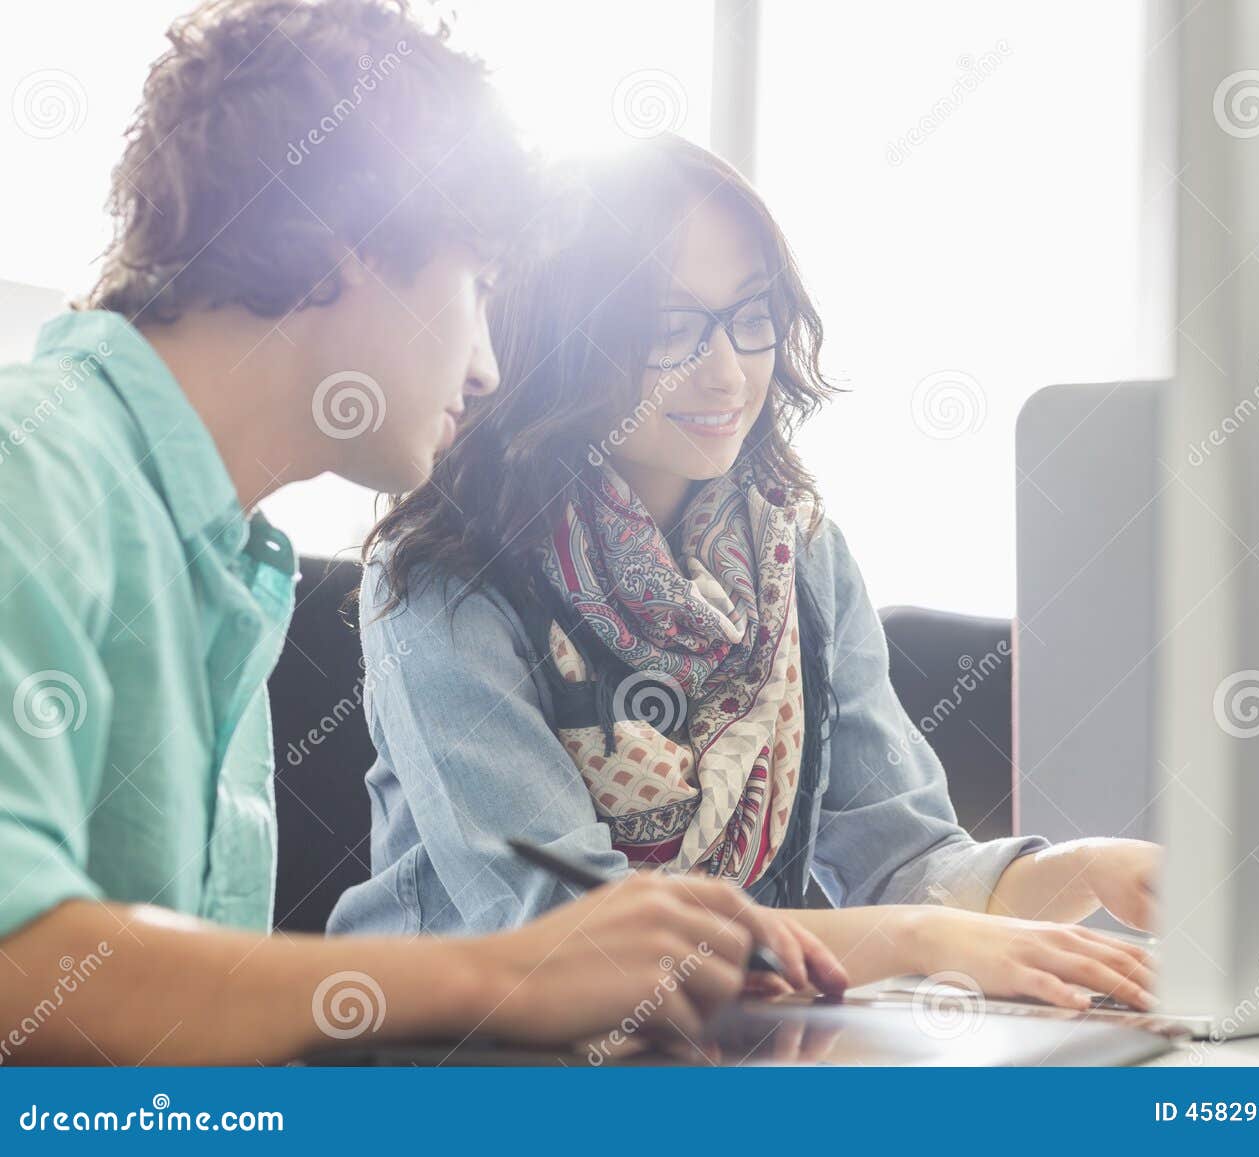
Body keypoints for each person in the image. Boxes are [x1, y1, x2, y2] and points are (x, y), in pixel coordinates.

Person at [0, 0, 842, 1066]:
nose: (488, 365)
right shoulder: (31, 463)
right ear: (347, 243)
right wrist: (507, 971)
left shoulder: (210, 550)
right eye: (478, 288)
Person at [331, 134, 1160, 1011]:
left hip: (727, 1045)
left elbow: (904, 863)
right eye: (670, 327)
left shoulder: (799, 551)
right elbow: (580, 934)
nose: (727, 371)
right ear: (566, 331)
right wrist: (922, 938)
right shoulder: (440, 577)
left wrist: (1090, 869)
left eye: (751, 317)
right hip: (457, 1060)